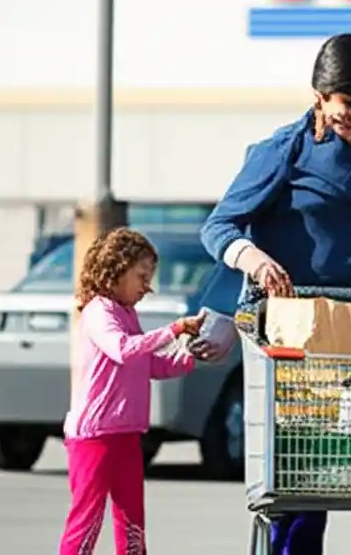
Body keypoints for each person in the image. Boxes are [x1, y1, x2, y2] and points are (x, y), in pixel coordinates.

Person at [199, 32, 351, 555]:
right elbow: (221, 225)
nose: (350, 115)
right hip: (290, 327)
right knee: (295, 470)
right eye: (340, 103)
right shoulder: (284, 148)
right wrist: (250, 258)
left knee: (323, 468)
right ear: (318, 97)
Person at [59, 227, 205, 554]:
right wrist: (174, 329)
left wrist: (189, 355)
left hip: (125, 433)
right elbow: (123, 349)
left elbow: (148, 364)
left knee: (131, 520)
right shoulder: (99, 312)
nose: (146, 287)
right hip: (94, 437)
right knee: (86, 519)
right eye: (141, 276)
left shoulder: (127, 313)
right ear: (117, 269)